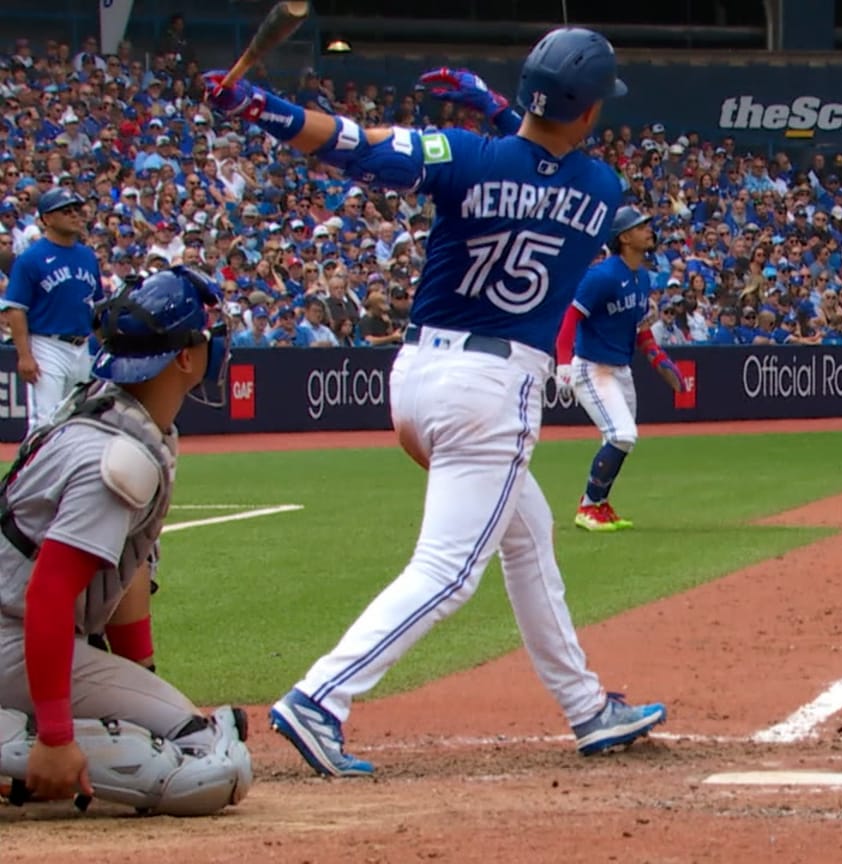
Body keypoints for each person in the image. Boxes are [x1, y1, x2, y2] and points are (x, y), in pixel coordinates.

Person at [200, 28, 667, 779]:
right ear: (588, 112)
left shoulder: (465, 155)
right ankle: (320, 697)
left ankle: (586, 708)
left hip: (417, 377)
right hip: (492, 391)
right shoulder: (601, 189)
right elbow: (539, 163)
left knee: (529, 537)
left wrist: (260, 107)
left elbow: (357, 146)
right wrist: (489, 105)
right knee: (449, 570)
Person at [0, 265, 252, 817]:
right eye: (203, 335)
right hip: (12, 638)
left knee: (182, 727)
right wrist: (58, 738)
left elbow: (126, 569)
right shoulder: (115, 457)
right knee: (209, 764)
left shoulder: (114, 413)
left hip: (24, 633)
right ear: (183, 357)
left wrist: (140, 682)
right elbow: (47, 595)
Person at [554, 206, 684, 532]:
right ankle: (587, 508)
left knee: (620, 439)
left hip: (620, 369)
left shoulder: (642, 277)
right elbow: (570, 319)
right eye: (641, 227)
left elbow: (639, 330)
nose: (648, 231)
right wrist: (563, 362)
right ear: (624, 237)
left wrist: (661, 362)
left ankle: (599, 503)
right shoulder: (602, 276)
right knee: (622, 434)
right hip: (593, 367)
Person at [2, 186, 103, 434]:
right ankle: (34, 473)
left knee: (78, 422)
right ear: (46, 219)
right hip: (47, 344)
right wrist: (25, 355)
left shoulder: (87, 256)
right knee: (46, 423)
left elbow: (97, 306)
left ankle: (70, 473)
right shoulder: (31, 258)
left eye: (76, 210)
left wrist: (104, 344)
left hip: (81, 346)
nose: (75, 215)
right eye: (66, 211)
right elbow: (16, 310)